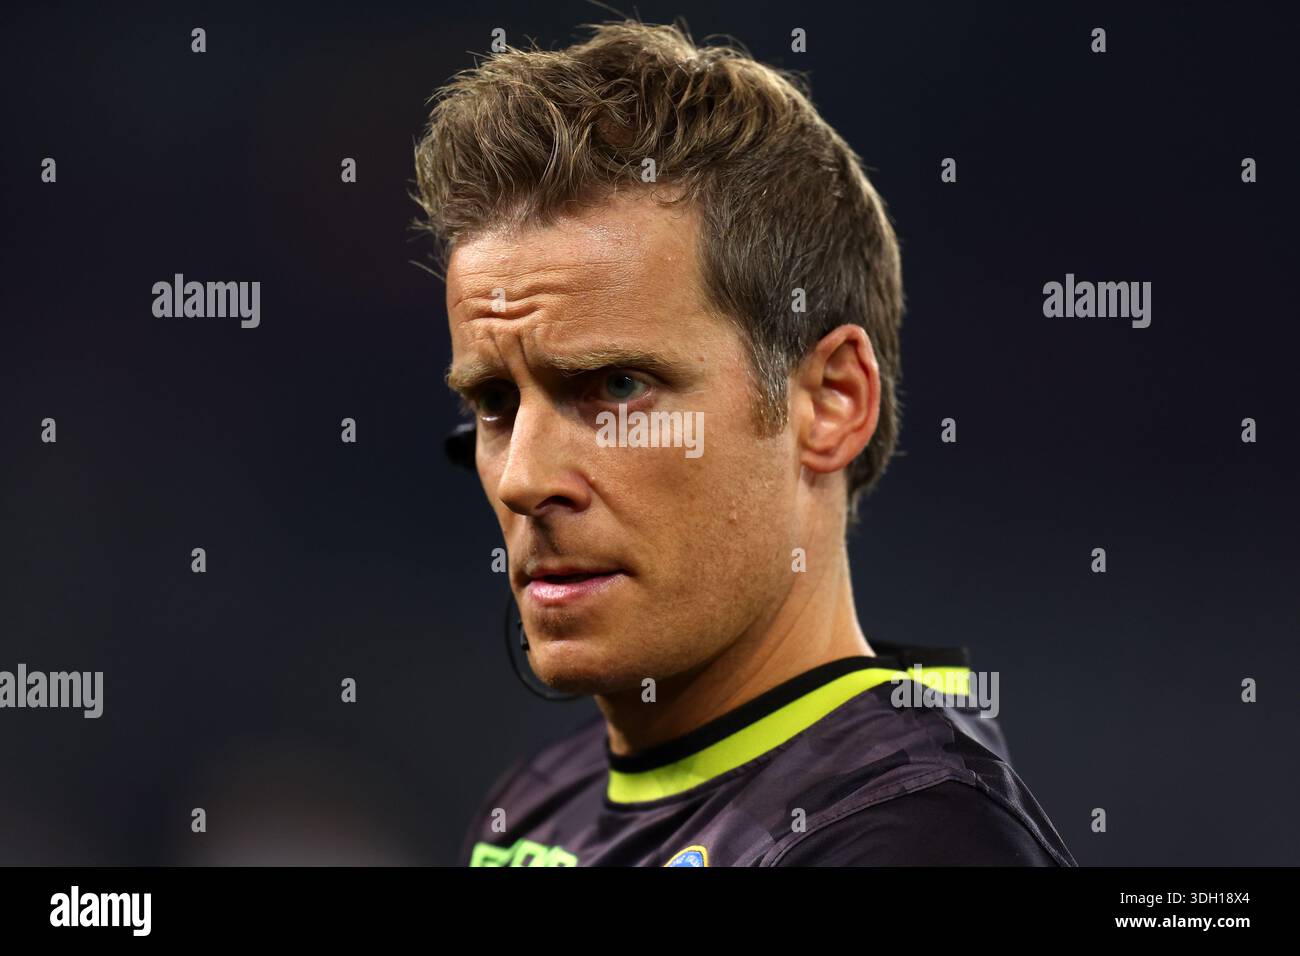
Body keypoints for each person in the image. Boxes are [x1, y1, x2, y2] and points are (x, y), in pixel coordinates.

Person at [414, 19, 1075, 866]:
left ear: (831, 404)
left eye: (618, 387)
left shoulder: (914, 838)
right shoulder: (537, 803)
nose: (524, 480)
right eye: (496, 401)